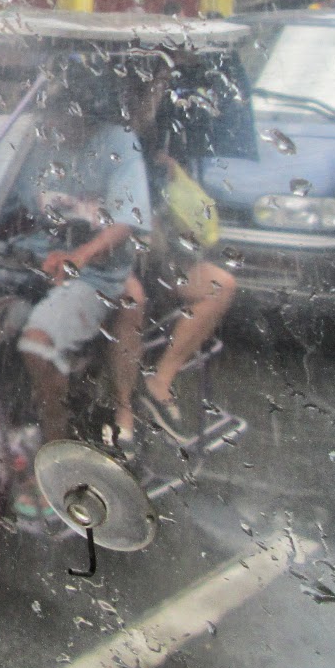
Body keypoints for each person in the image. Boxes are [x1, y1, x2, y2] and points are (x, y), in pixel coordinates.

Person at [9, 82, 148, 520]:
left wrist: (79, 256)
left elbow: (129, 219)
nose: (54, 123)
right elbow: (6, 197)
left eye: (62, 113)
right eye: (48, 112)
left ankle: (55, 460)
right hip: (31, 258)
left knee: (37, 342)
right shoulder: (35, 143)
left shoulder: (117, 145)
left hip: (94, 269)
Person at [110, 67, 237, 448]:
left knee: (221, 285)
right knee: (131, 298)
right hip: (112, 254)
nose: (150, 100)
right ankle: (122, 407)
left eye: (157, 91)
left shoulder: (158, 138)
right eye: (143, 92)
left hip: (155, 255)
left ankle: (160, 382)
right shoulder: (109, 138)